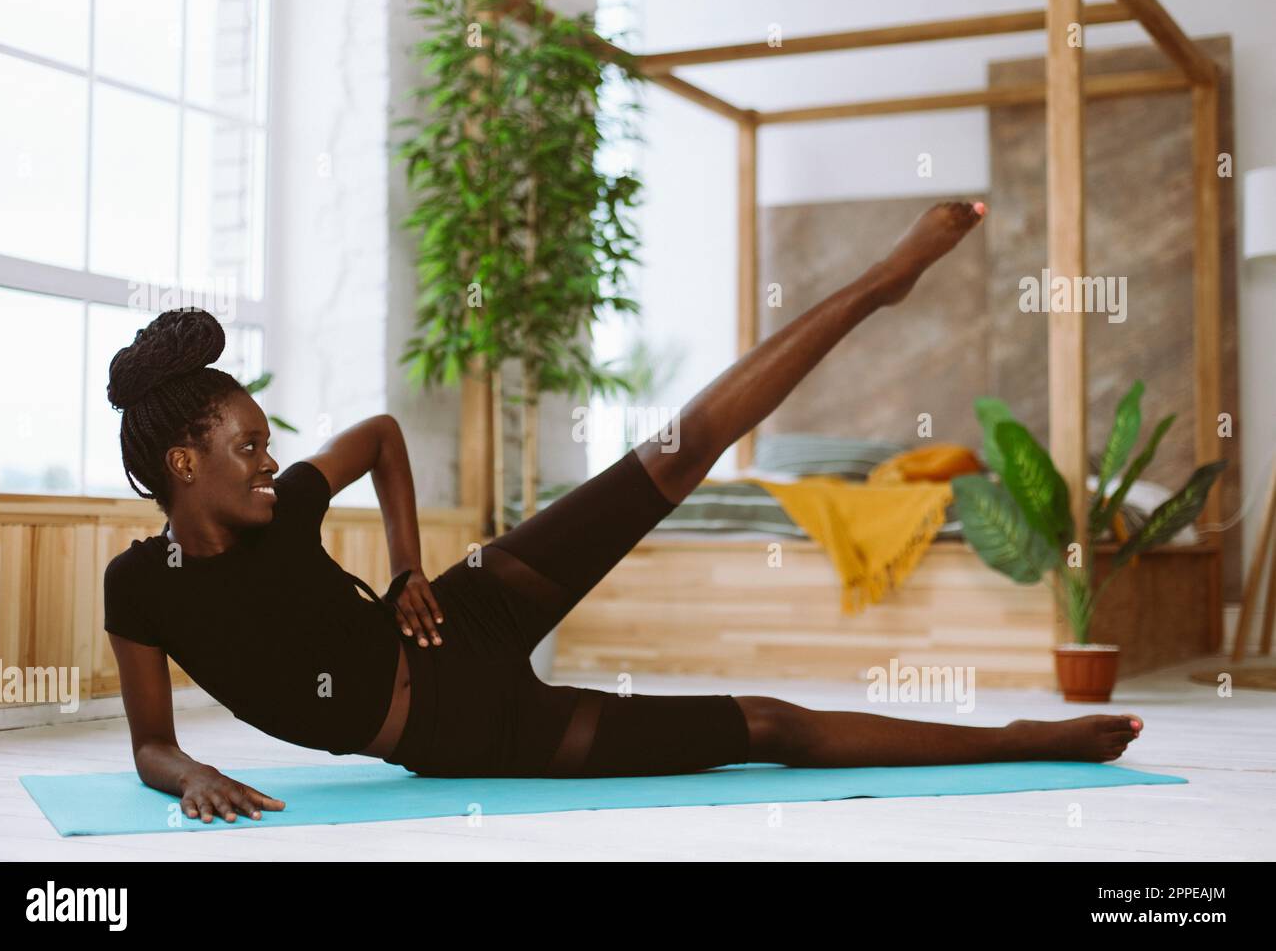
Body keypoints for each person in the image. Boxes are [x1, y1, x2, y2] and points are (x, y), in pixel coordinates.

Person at [104, 201, 1142, 825]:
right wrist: (190, 770)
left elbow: (377, 432)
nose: (270, 455)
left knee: (674, 449)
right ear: (183, 462)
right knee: (767, 726)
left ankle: (879, 282)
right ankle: (1024, 735)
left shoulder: (282, 506)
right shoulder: (140, 586)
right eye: (248, 445)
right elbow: (150, 740)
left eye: (265, 437)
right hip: (477, 731)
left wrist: (414, 568)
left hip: (467, 611)